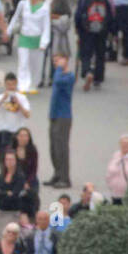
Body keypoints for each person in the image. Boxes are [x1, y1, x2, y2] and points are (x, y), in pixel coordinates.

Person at [7, 0, 51, 93]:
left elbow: (46, 26)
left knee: (35, 64)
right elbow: (15, 17)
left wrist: (44, 42)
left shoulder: (45, 7)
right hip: (24, 38)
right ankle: (22, 85)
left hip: (37, 39)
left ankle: (33, 84)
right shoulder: (23, 4)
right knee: (23, 62)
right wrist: (9, 30)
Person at [75, 0, 112, 89]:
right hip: (101, 30)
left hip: (86, 29)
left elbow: (78, 14)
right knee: (100, 53)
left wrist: (77, 27)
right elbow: (110, 14)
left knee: (86, 53)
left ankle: (87, 71)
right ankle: (98, 78)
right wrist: (109, 29)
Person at [44, 53, 75, 188]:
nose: (55, 63)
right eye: (54, 61)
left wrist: (59, 68)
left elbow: (57, 81)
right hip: (55, 115)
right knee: (53, 147)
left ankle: (65, 178)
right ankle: (57, 173)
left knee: (61, 148)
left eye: (58, 60)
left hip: (64, 116)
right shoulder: (59, 74)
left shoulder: (68, 76)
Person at [0, 72, 30, 166]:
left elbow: (27, 115)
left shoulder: (22, 98)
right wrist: (2, 99)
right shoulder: (0, 97)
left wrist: (18, 103)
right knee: (3, 162)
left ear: (16, 84)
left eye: (13, 84)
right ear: (5, 84)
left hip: (17, 133)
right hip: (2, 132)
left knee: (18, 162)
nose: (11, 87)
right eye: (8, 85)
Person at [0, 150, 30, 244]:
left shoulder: (20, 177)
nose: (9, 162)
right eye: (7, 159)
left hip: (12, 212)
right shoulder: (1, 175)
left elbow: (14, 195)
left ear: (16, 161)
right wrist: (6, 193)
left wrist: (1, 193)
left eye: (11, 159)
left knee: (10, 238)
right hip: (0, 211)